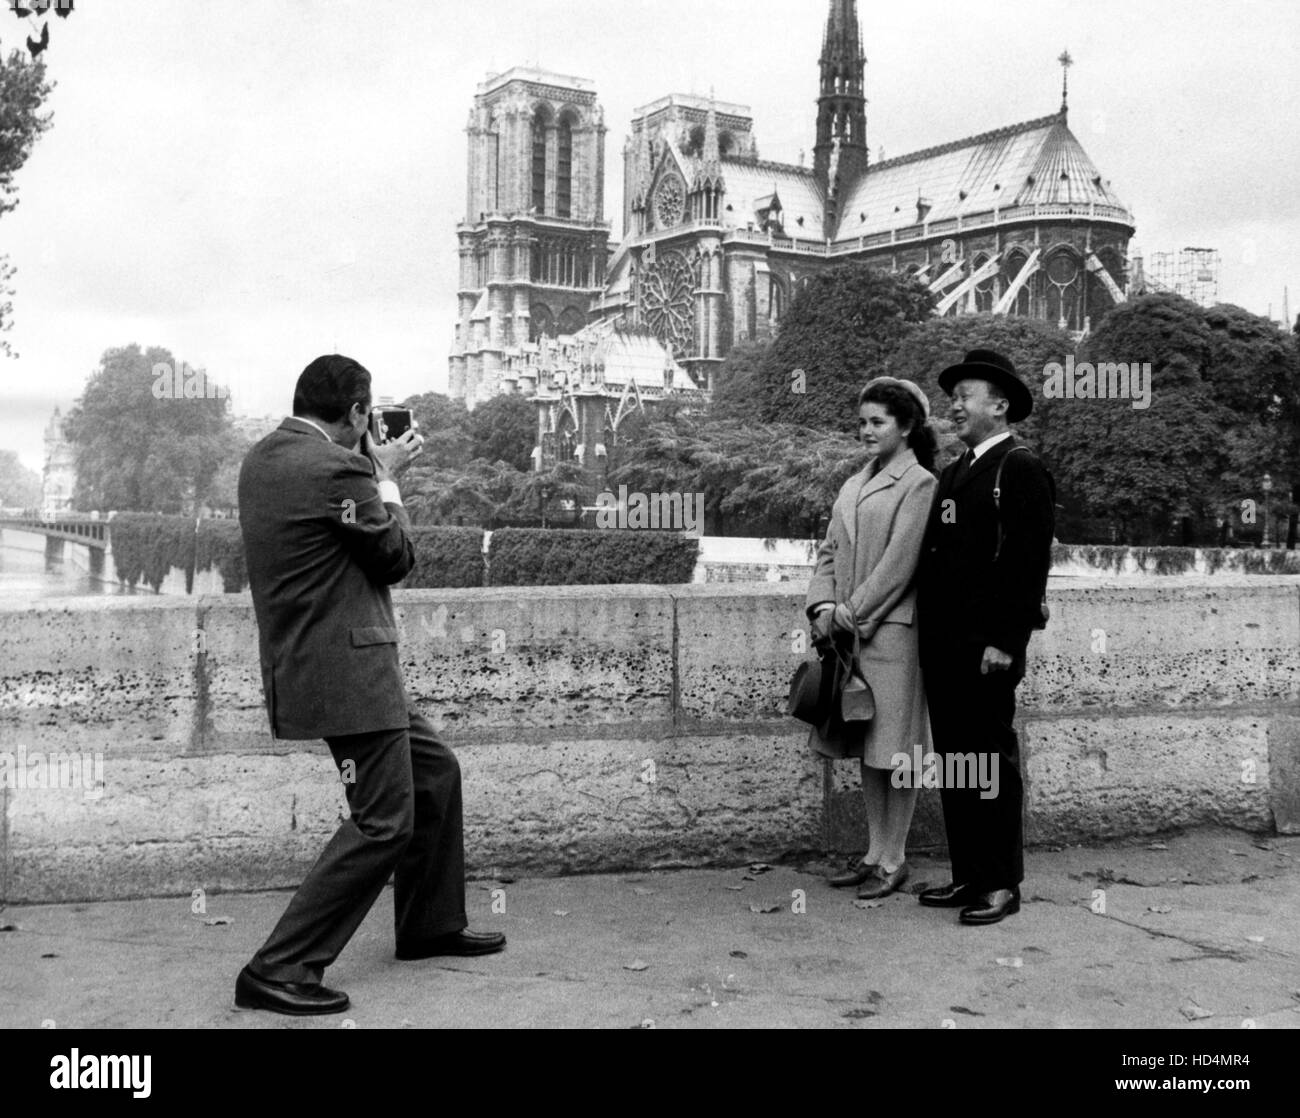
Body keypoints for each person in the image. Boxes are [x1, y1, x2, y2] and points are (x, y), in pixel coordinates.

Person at [233, 354, 504, 1016]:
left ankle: (429, 923)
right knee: (383, 820)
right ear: (356, 414)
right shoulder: (342, 469)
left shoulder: (263, 458)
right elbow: (396, 558)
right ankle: (279, 965)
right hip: (349, 671)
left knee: (435, 772)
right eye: (368, 413)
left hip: (310, 663)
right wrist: (385, 476)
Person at [916, 349, 1054, 926]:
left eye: (966, 395)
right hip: (946, 644)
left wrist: (1004, 640)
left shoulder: (1020, 468)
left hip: (986, 649)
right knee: (957, 762)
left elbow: (1027, 564)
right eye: (954, 396)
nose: (955, 405)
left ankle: (1001, 882)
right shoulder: (955, 471)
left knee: (991, 761)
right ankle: (969, 873)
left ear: (999, 405)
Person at [807, 377, 938, 901]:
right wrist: (820, 604)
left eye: (877, 421)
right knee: (867, 747)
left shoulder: (920, 484)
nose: (866, 431)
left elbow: (899, 568)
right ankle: (872, 853)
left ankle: (895, 856)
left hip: (893, 637)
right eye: (862, 421)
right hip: (849, 635)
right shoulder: (853, 483)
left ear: (906, 427)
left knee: (896, 752)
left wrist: (848, 613)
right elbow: (829, 552)